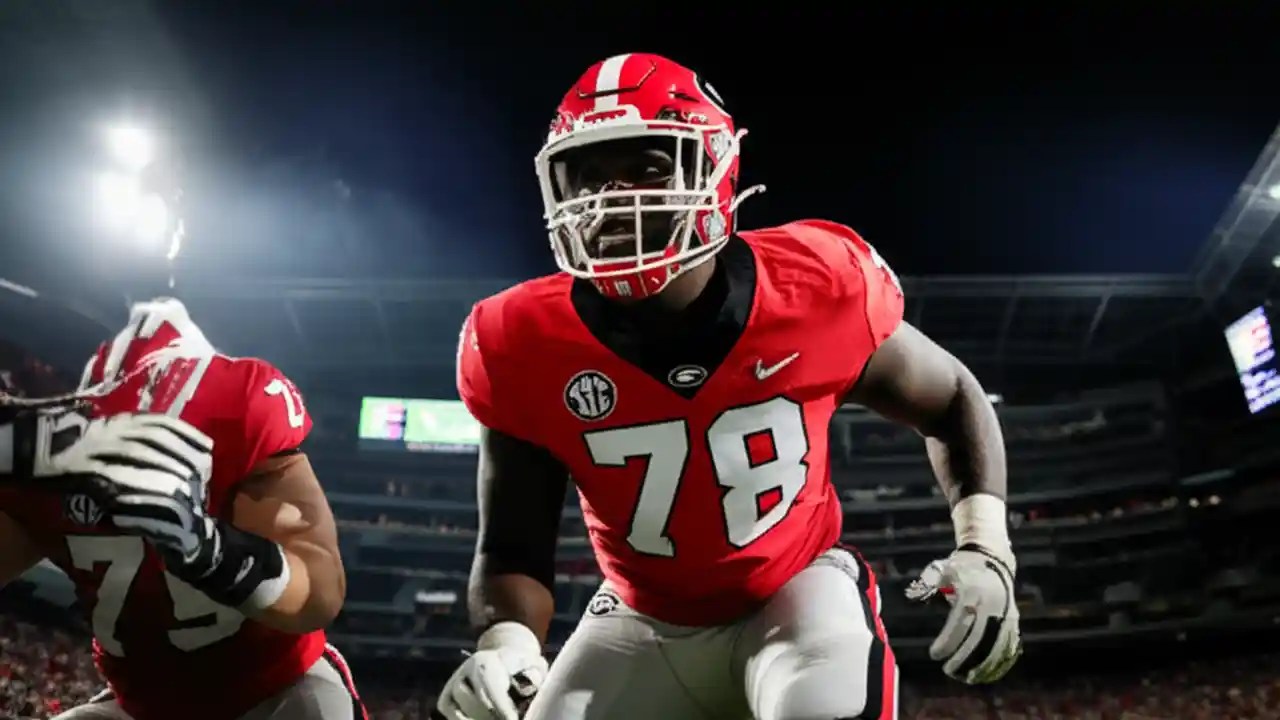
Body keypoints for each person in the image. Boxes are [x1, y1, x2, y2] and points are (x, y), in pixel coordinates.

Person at [437, 53, 1021, 720]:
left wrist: (987, 548)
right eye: (588, 176)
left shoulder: (817, 286)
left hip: (796, 592)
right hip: (638, 617)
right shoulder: (518, 339)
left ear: (715, 170)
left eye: (647, 167)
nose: (611, 198)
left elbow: (952, 398)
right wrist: (508, 643)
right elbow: (512, 545)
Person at [0, 297, 365, 720]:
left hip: (272, 689)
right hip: (144, 703)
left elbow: (318, 593)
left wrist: (207, 548)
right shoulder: (36, 467)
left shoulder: (236, 418)